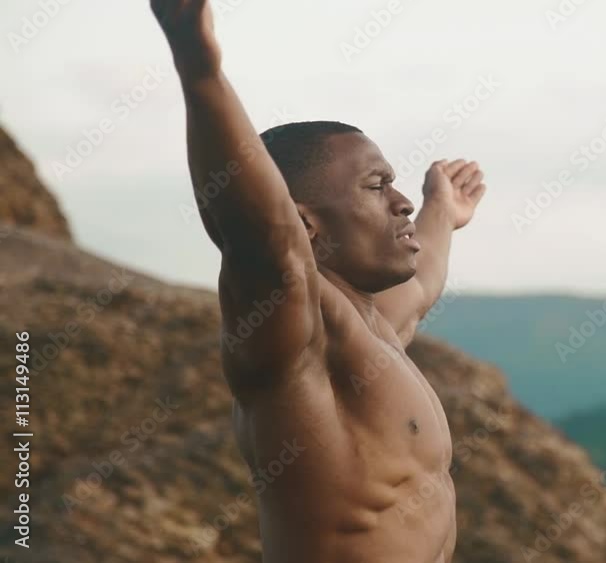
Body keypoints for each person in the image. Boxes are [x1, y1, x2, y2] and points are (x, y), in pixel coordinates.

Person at [151, 1, 487, 561]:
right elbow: (258, 230)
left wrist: (441, 211)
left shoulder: (373, 330)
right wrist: (199, 68)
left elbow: (421, 286)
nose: (401, 203)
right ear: (306, 221)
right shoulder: (296, 331)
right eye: (378, 185)